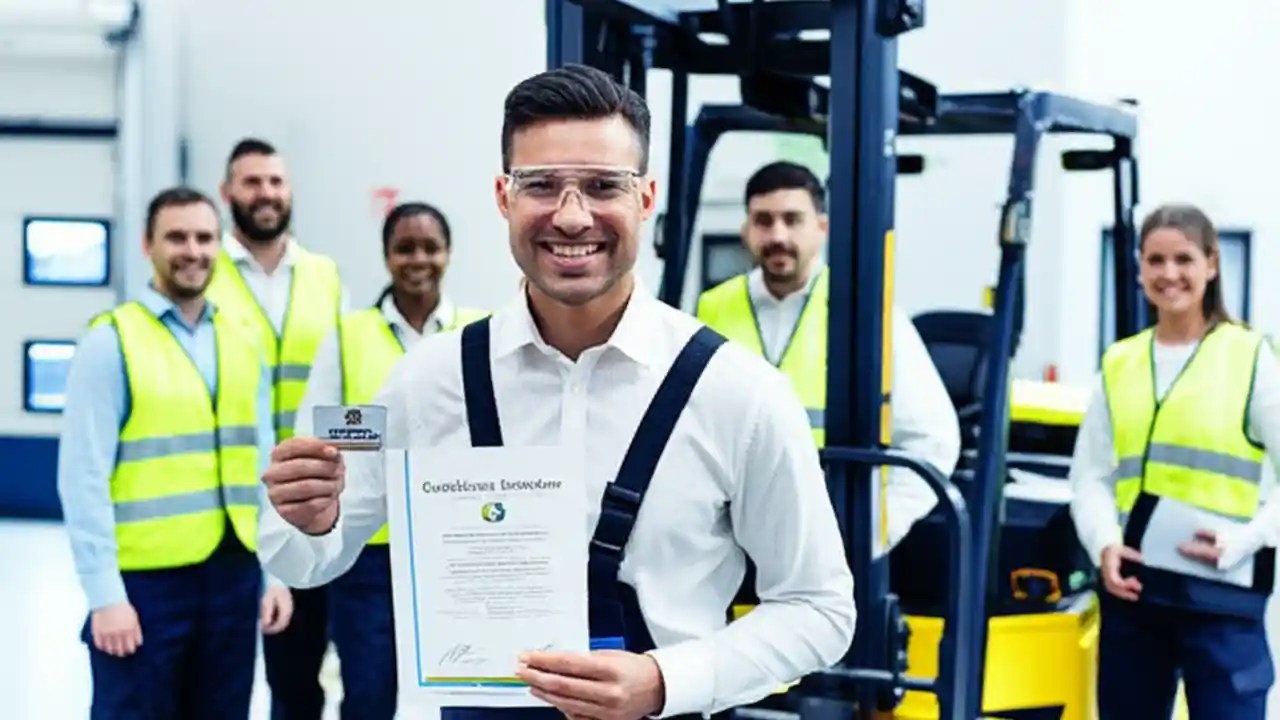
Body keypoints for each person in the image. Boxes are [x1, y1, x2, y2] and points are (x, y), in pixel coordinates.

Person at [257, 63, 857, 720]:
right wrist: (307, 519)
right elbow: (306, 560)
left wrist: (667, 680)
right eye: (541, 185)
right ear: (503, 196)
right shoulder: (427, 383)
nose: (572, 217)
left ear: (647, 198)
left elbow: (819, 609)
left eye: (605, 186)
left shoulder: (738, 395)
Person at [56, 187, 292, 718]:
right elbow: (82, 477)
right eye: (177, 237)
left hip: (232, 574)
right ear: (148, 245)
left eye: (205, 237)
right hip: (145, 585)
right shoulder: (111, 341)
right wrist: (103, 595)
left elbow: (261, 464)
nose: (193, 250)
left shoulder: (240, 340)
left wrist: (273, 573)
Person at [1068, 203, 1280, 719]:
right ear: (1139, 268)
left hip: (1220, 598)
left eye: (1183, 259)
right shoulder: (1120, 362)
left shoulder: (1250, 357)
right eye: (1155, 260)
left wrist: (1245, 539)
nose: (1169, 274)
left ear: (1211, 265)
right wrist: (1104, 544)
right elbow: (1090, 475)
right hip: (1136, 593)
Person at [283, 201, 487, 719]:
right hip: (370, 554)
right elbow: (318, 432)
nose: (418, 259)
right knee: (369, 694)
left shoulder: (476, 334)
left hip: (453, 550)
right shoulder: (348, 336)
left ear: (449, 254)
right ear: (386, 256)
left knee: (463, 694)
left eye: (430, 247)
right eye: (405, 248)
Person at [696, 160, 960, 551]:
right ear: (746, 230)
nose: (778, 235)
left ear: (822, 228)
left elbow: (931, 439)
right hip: (728, 541)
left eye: (792, 219)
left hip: (827, 538)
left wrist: (872, 533)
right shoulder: (711, 307)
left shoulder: (865, 311)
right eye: (764, 221)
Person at [202, 137, 347, 719]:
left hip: (305, 493)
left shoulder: (323, 274)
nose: (266, 194)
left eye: (275, 182)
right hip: (231, 495)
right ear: (227, 193)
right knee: (223, 675)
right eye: (252, 182)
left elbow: (342, 375)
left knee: (299, 671)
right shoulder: (203, 272)